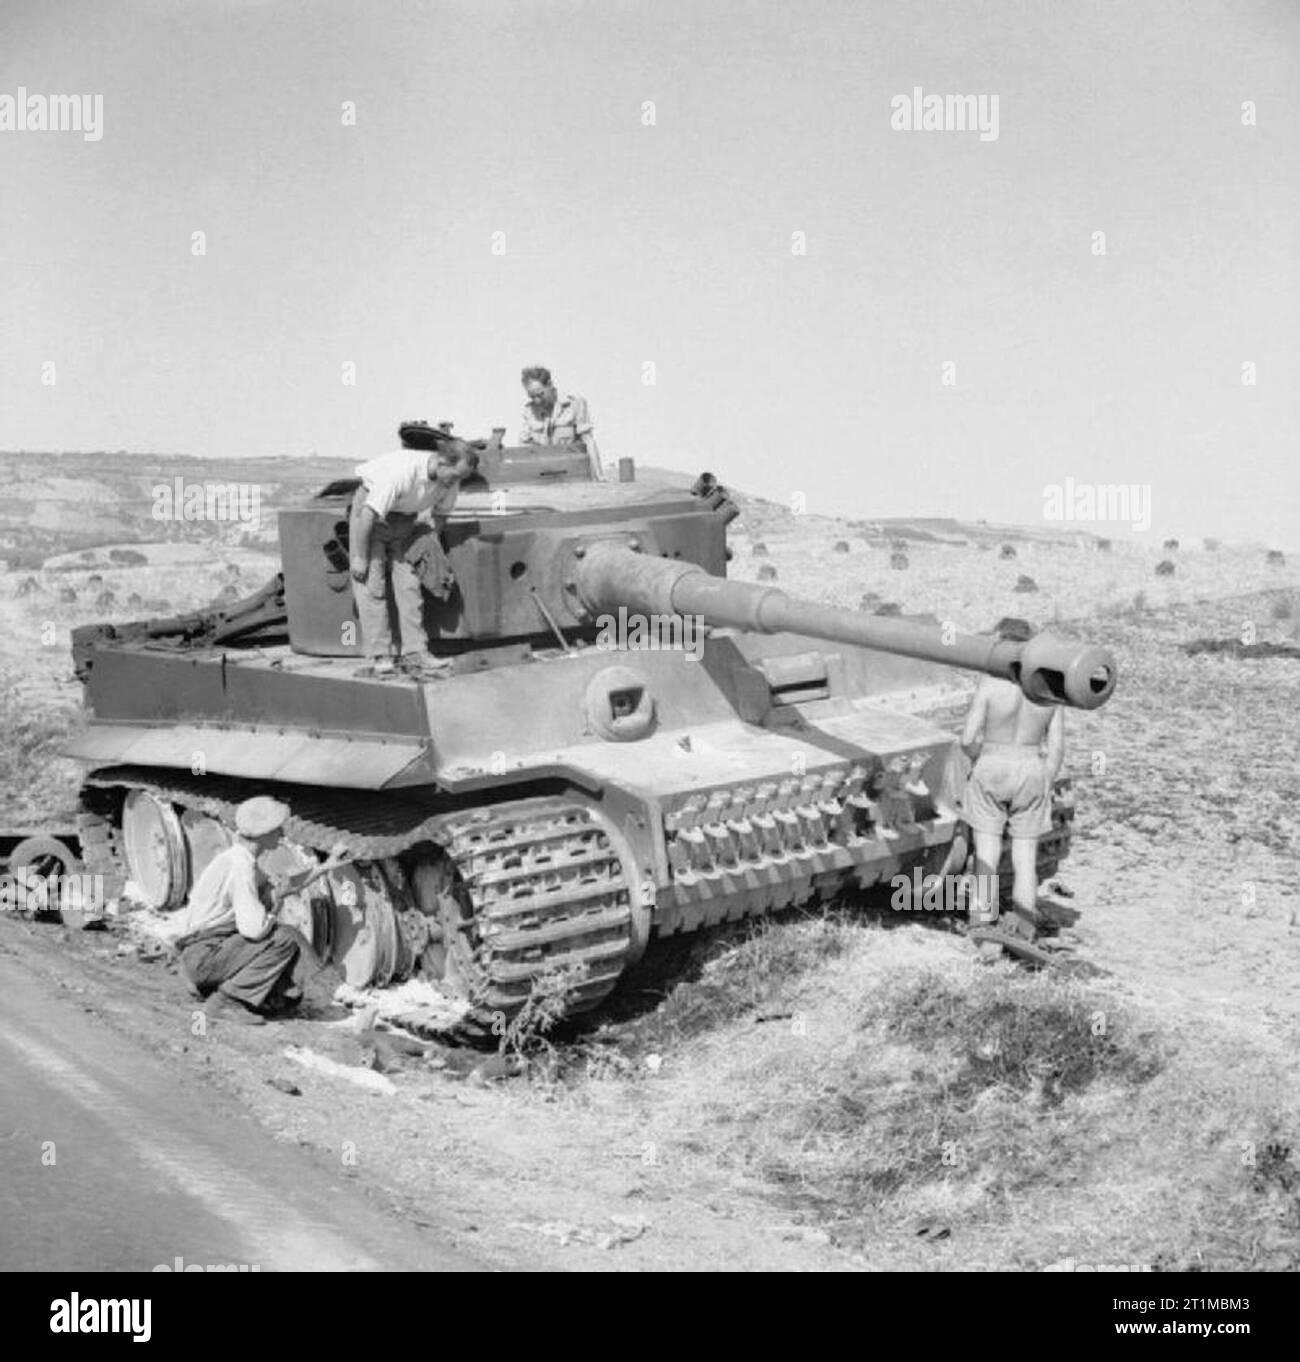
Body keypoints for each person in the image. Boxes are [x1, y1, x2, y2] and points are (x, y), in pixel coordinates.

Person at [159, 798, 339, 1025]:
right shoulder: (240, 869)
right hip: (204, 957)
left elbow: (282, 886)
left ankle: (273, 994)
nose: (282, 833)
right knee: (283, 938)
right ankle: (227, 1002)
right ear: (264, 833)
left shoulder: (237, 859)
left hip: (204, 954)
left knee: (285, 934)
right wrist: (275, 910)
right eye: (278, 828)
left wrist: (325, 867)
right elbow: (254, 930)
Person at [960, 617, 1065, 942]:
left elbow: (966, 739)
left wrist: (982, 759)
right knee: (1025, 859)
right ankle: (1024, 928)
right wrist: (1043, 779)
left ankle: (982, 924)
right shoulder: (1049, 693)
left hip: (993, 763)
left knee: (987, 853)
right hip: (1031, 766)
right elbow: (1057, 748)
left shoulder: (990, 685)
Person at [349, 432, 479, 678]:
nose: (456, 482)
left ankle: (416, 653)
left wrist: (430, 542)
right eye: (455, 475)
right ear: (441, 462)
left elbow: (440, 514)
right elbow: (367, 514)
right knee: (371, 585)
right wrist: (360, 557)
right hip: (372, 517)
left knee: (410, 586)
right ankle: (380, 657)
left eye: (461, 477)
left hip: (406, 521)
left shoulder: (449, 481)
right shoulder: (402, 472)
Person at [518, 365, 603, 480]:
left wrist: (599, 476)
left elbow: (588, 441)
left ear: (550, 384)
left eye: (540, 394)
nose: (537, 400)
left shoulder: (575, 404)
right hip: (543, 478)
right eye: (532, 396)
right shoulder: (529, 411)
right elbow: (524, 449)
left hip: (573, 476)